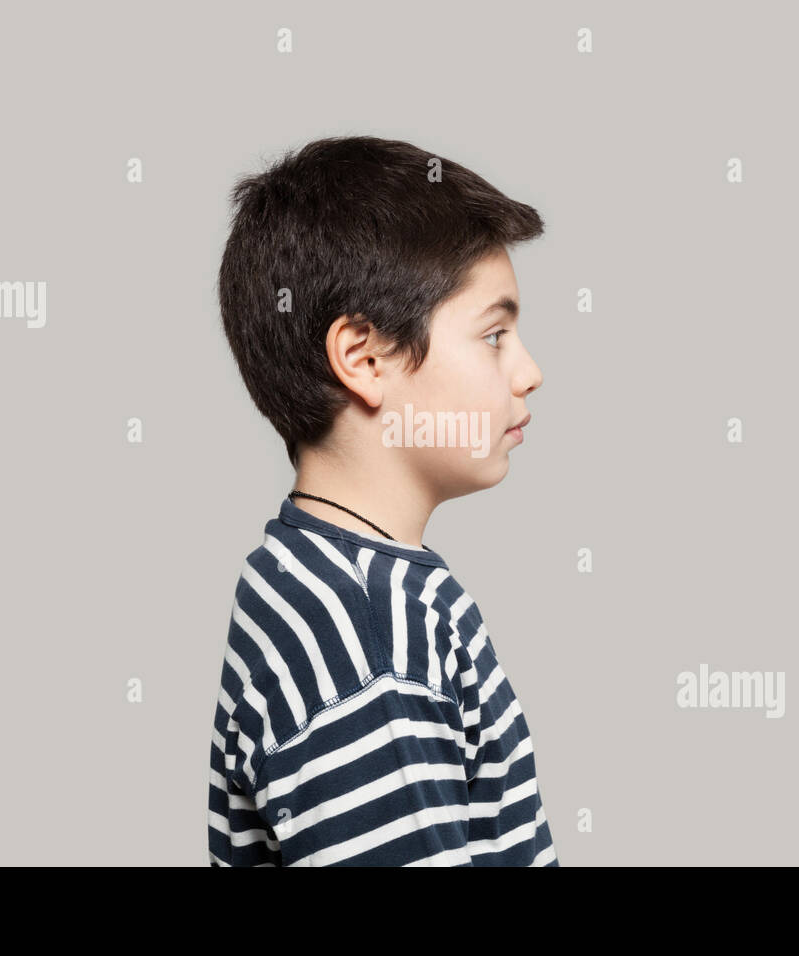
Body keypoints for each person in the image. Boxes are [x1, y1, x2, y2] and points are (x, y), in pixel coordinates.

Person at [207, 135, 557, 866]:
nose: (528, 372)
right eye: (494, 335)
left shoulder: (316, 576)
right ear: (364, 358)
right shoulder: (369, 638)